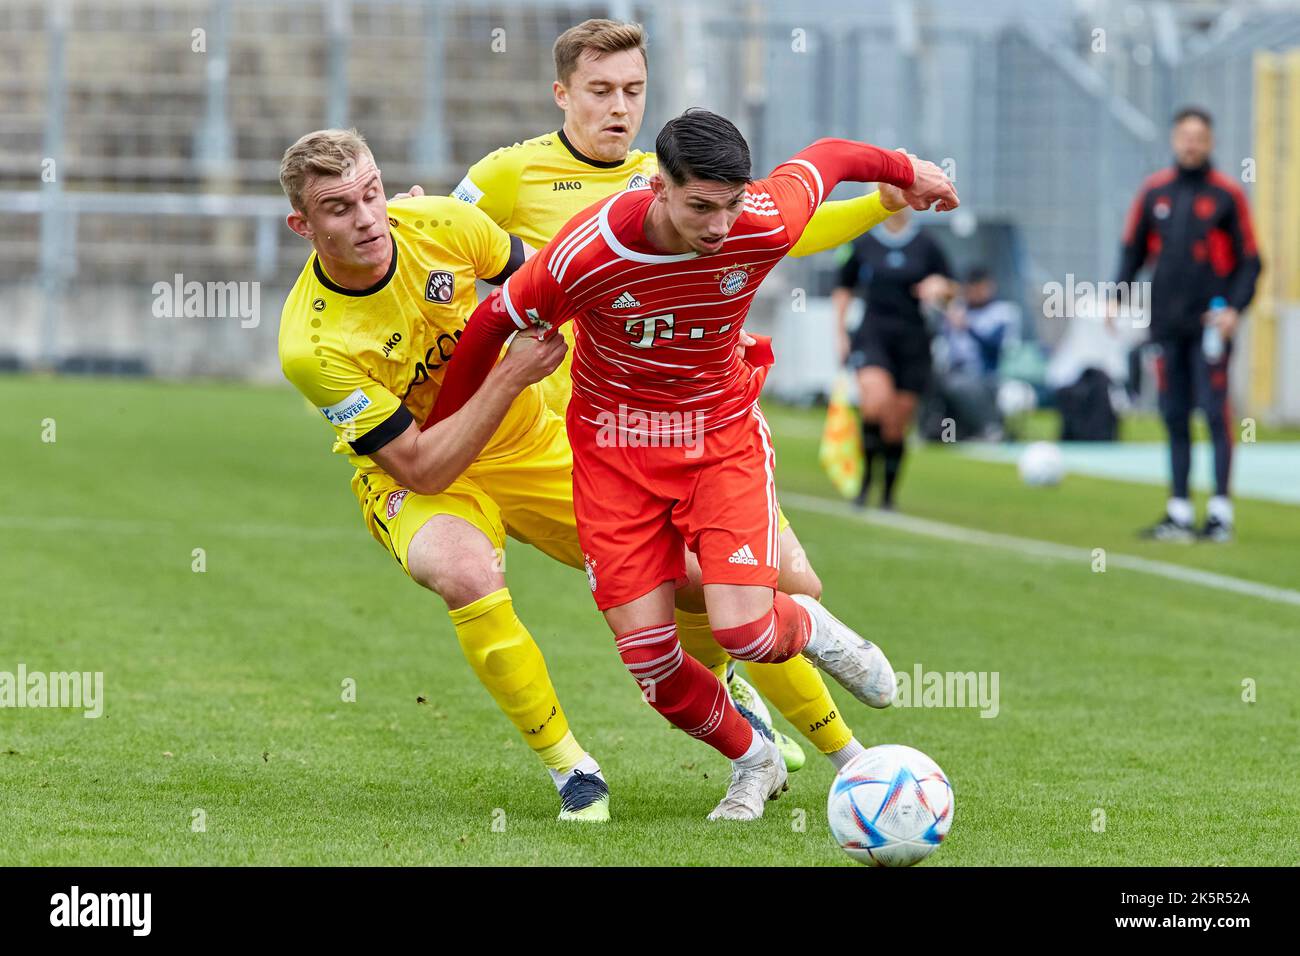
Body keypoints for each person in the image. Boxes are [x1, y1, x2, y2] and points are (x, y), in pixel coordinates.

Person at [406, 18, 915, 774]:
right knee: (677, 618)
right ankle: (770, 734)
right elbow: (446, 251)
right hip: (583, 439)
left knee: (780, 586)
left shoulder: (683, 176)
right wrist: (413, 224)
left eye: (634, 91)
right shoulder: (512, 175)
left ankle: (828, 742)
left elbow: (777, 228)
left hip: (706, 420)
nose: (619, 107)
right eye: (601, 91)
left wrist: (880, 201)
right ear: (562, 94)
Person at [276, 129, 611, 821]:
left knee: (681, 574)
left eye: (371, 193)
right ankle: (572, 769)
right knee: (464, 573)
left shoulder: (445, 225)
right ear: (302, 227)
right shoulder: (312, 345)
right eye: (339, 208)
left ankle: (743, 695)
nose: (367, 216)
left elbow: (551, 280)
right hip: (416, 478)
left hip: (527, 442)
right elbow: (424, 467)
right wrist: (514, 373)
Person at [1113, 106, 1261, 542]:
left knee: (1215, 412)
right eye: (1185, 136)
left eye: (1199, 136)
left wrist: (1234, 308)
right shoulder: (1155, 192)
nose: (1191, 144)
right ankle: (1178, 511)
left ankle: (1219, 512)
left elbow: (1251, 262)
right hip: (1166, 324)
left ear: (1210, 142)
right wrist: (1114, 297)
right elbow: (1132, 250)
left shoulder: (1226, 195)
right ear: (1175, 140)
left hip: (1210, 323)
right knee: (1173, 413)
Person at [832, 205, 952, 509]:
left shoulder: (927, 244)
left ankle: (887, 495)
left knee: (896, 422)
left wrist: (940, 289)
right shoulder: (863, 242)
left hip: (913, 340)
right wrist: (840, 333)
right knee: (875, 402)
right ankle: (863, 486)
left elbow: (950, 287)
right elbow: (843, 288)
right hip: (874, 335)